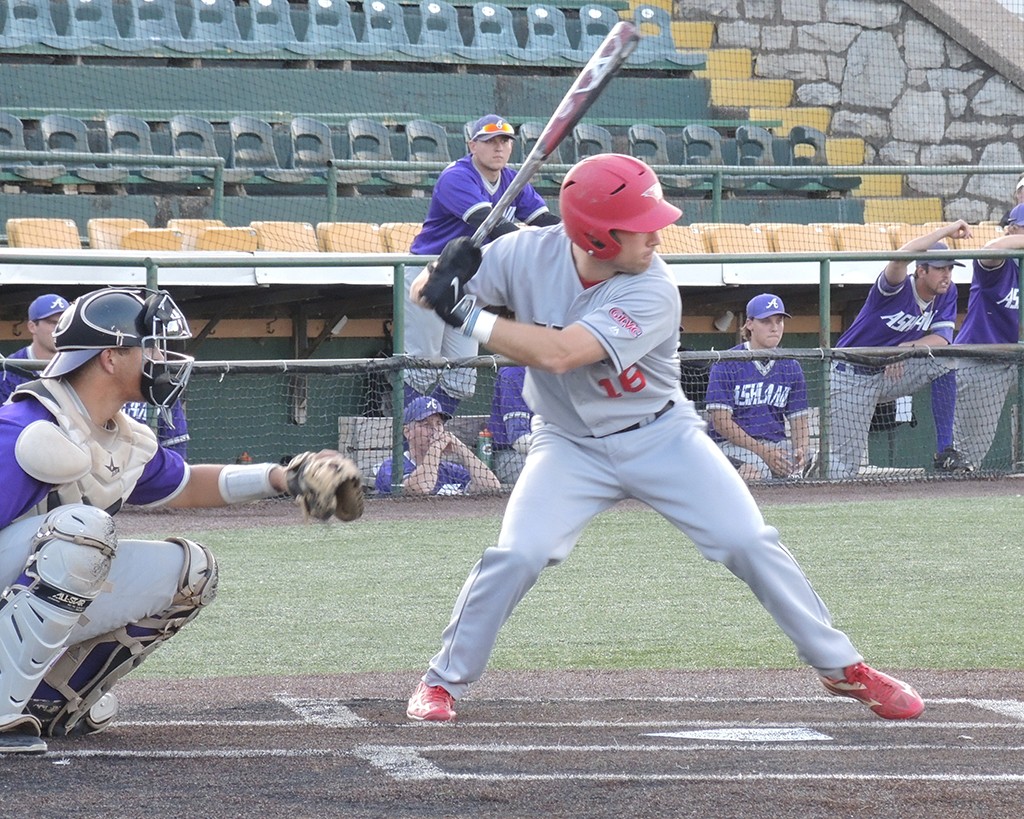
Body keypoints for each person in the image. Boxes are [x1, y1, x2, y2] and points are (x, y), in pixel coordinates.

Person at [404, 153, 924, 724]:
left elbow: (560, 355)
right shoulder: (525, 252)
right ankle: (441, 681)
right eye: (641, 224)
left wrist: (468, 315)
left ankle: (841, 667)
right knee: (517, 555)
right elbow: (426, 293)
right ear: (599, 237)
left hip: (662, 435)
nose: (657, 234)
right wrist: (438, 276)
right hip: (568, 443)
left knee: (750, 542)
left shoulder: (654, 288)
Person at [0, 286, 353, 754]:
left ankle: (43, 700)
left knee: (192, 571)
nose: (163, 357)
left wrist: (282, 478)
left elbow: (184, 483)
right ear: (110, 357)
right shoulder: (28, 429)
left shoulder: (116, 433)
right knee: (83, 530)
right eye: (151, 345)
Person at [403, 115, 560, 417]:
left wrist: (572, 236)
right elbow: (490, 225)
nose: (498, 148)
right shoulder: (456, 176)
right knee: (421, 366)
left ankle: (434, 432)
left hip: (470, 277)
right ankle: (408, 442)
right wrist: (535, 239)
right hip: (430, 273)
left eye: (505, 140)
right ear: (472, 145)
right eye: (490, 141)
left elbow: (544, 221)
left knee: (462, 376)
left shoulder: (513, 179)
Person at [827, 222, 971, 479]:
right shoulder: (897, 286)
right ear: (921, 270)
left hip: (893, 371)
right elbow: (899, 257)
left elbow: (943, 339)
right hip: (852, 373)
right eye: (939, 269)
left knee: (946, 360)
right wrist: (946, 230)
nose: (946, 275)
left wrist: (904, 348)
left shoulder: (947, 292)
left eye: (950, 268)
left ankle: (944, 451)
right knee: (842, 468)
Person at [705, 294, 811, 482]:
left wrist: (800, 450)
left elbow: (799, 422)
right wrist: (763, 452)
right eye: (766, 321)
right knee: (754, 471)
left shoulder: (790, 365)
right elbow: (721, 422)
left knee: (827, 465)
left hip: (776, 445)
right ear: (750, 324)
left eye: (779, 321)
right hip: (730, 446)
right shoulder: (727, 362)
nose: (774, 327)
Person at [951, 203, 1024, 469]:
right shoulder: (999, 265)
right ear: (1012, 230)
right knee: (968, 455)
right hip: (983, 359)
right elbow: (990, 250)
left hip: (1019, 360)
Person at [374, 395, 501, 495]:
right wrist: (435, 449)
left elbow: (491, 487)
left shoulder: (450, 470)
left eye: (439, 424)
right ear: (408, 432)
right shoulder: (392, 467)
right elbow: (419, 489)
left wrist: (461, 448)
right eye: (426, 425)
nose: (435, 430)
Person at [0, 293, 70, 405]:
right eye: (53, 323)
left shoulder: (80, 366)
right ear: (32, 327)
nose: (60, 329)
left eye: (65, 322)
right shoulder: (9, 372)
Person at [487, 365, 534, 485]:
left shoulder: (561, 368)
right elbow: (519, 441)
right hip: (511, 456)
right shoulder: (513, 372)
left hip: (551, 450)